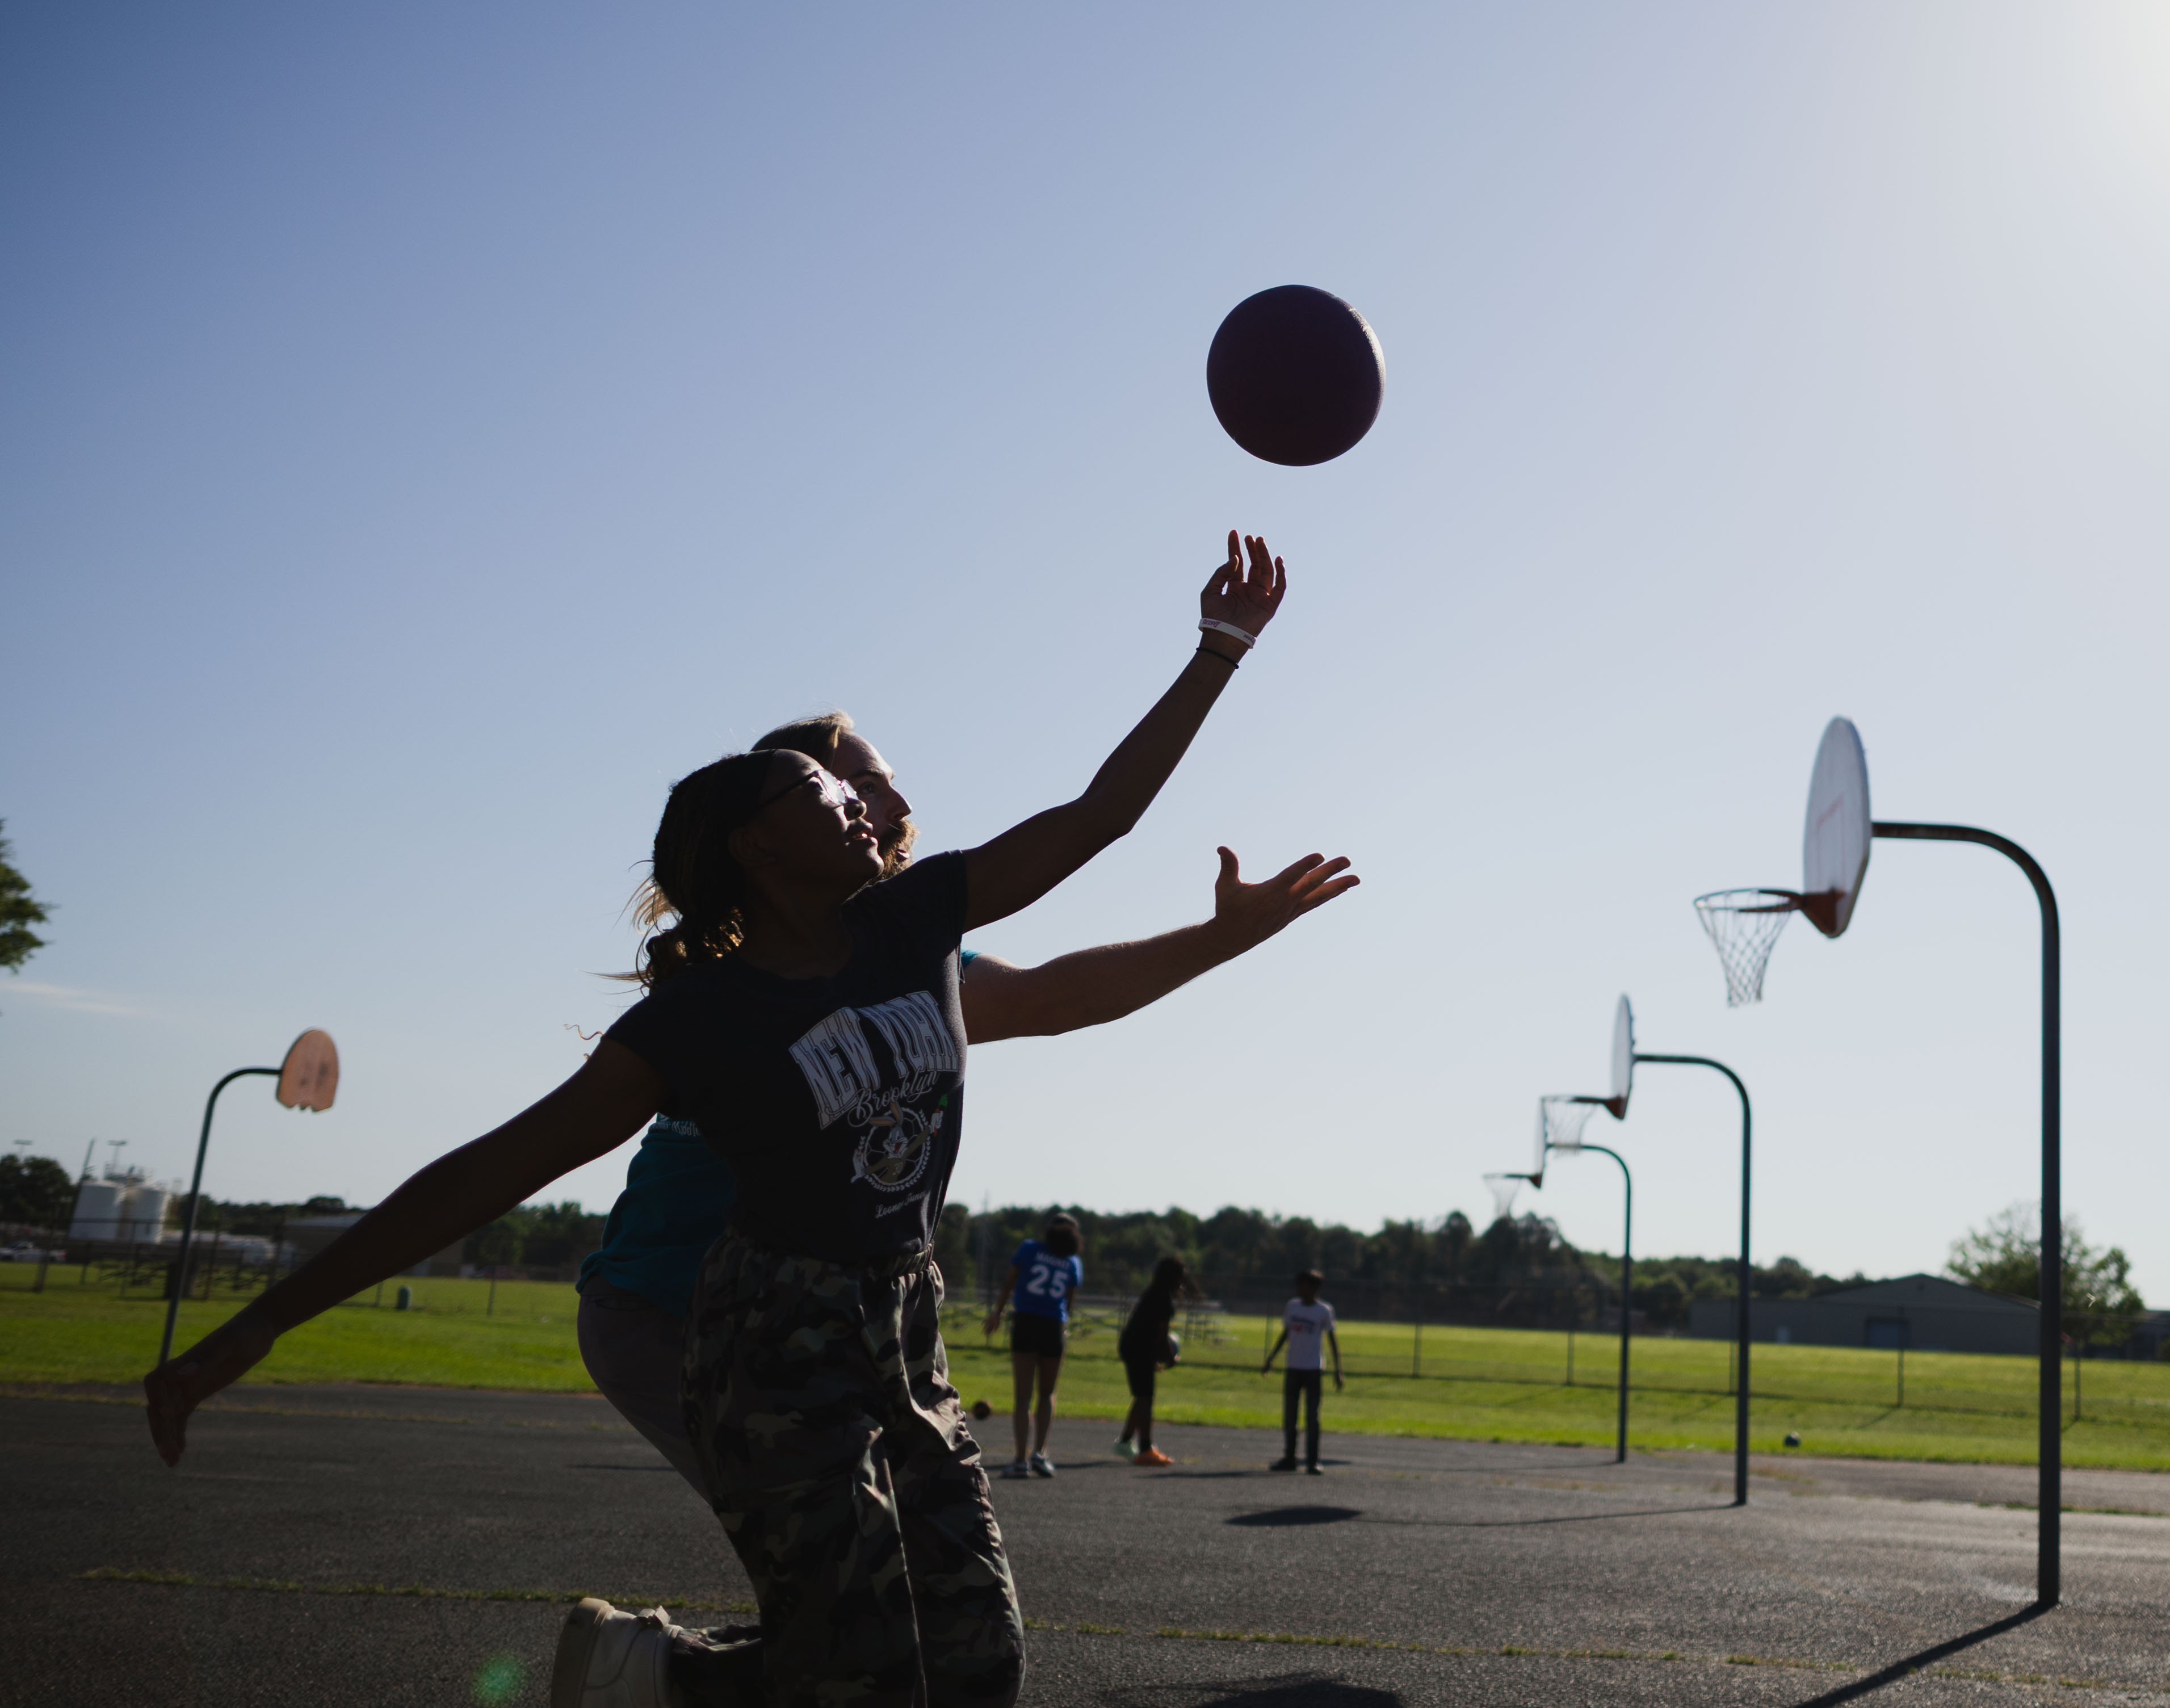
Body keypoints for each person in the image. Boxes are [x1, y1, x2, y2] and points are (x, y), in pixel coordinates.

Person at [145, 535, 1356, 1708]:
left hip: (903, 1315)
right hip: (766, 1339)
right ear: (755, 846)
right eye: (817, 784)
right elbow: (488, 1172)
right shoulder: (702, 1021)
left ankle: (664, 1674)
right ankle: (666, 1669)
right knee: (866, 1666)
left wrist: (1218, 646)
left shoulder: (912, 924)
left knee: (975, 1659)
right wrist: (258, 1323)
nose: (859, 795)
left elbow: (1100, 815)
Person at [983, 1213, 1082, 1479]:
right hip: (1053, 1326)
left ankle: (1020, 1459)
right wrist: (1065, 1326)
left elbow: (1009, 1283)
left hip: (1027, 1322)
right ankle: (1040, 1453)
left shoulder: (1029, 1248)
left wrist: (997, 1312)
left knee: (1023, 1396)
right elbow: (1069, 1301)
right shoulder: (1073, 1261)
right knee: (1047, 1393)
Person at [1258, 1268, 1345, 1474]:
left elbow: (1333, 1341)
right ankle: (1290, 1458)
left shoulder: (1324, 1310)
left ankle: (1313, 1461)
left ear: (1314, 1288)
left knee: (1312, 1418)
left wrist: (1338, 1370)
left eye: (1303, 1285)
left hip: (1314, 1369)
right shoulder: (1292, 1307)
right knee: (1290, 1417)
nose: (1299, 1289)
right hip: (1293, 1368)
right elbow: (1286, 1333)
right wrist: (1271, 1359)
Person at [1113, 1256, 1195, 1467]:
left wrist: (1153, 1356)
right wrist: (1170, 1358)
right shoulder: (1163, 1299)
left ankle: (1125, 1441)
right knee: (1146, 1398)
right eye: (1180, 1276)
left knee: (1142, 1397)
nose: (1182, 1280)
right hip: (1138, 1349)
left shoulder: (1154, 1293)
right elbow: (1161, 1335)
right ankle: (1146, 1448)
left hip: (1136, 1347)